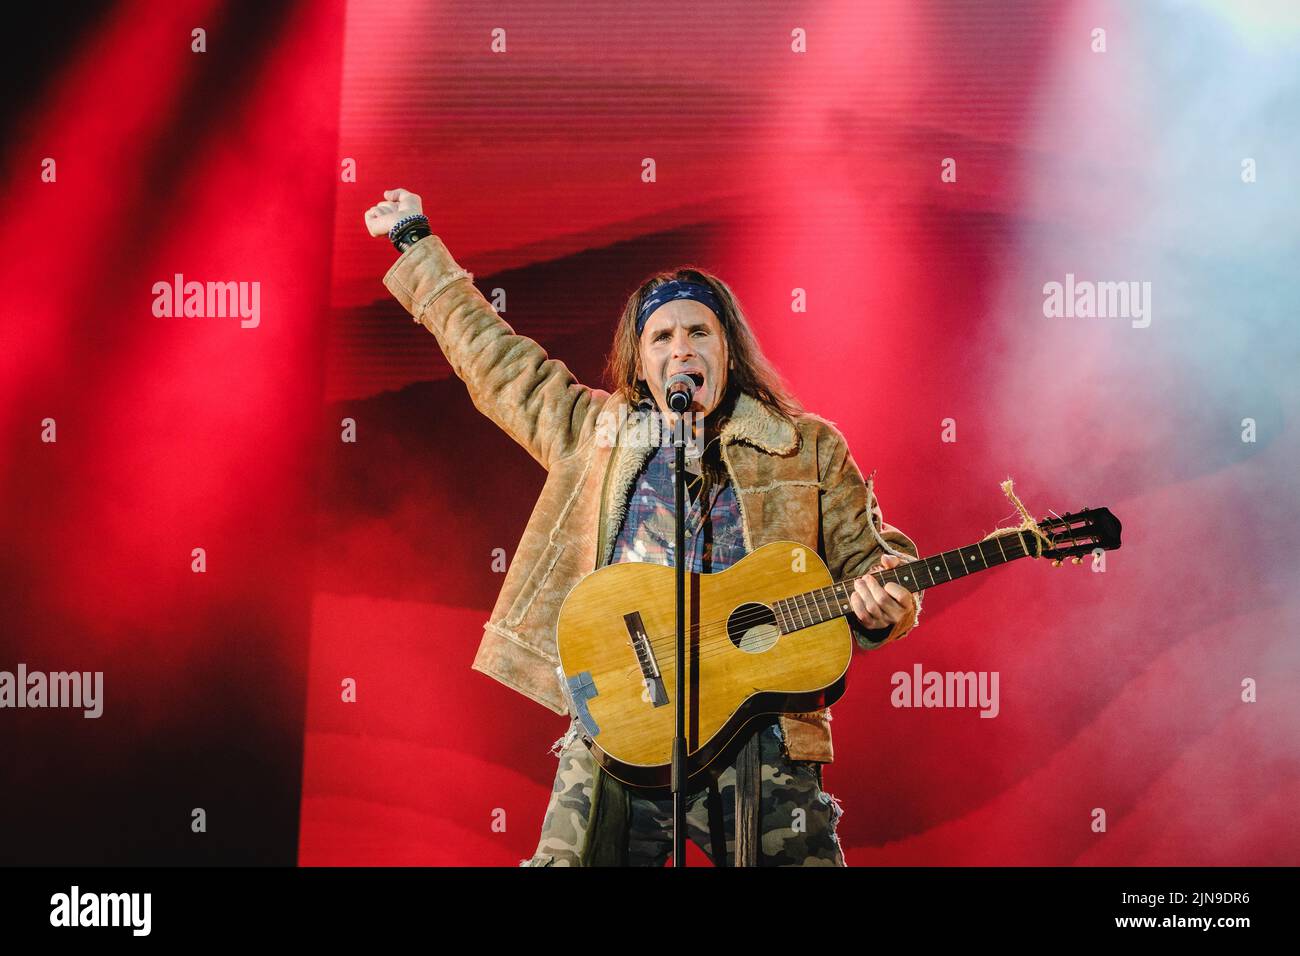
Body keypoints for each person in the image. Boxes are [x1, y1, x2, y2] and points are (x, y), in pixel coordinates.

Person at [366, 188, 924, 866]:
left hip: (763, 732)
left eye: (699, 332)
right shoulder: (595, 431)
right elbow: (495, 362)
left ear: (729, 351)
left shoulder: (805, 447)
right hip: (620, 722)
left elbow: (874, 560)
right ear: (640, 362)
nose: (681, 347)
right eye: (662, 336)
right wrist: (416, 241)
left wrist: (884, 601)